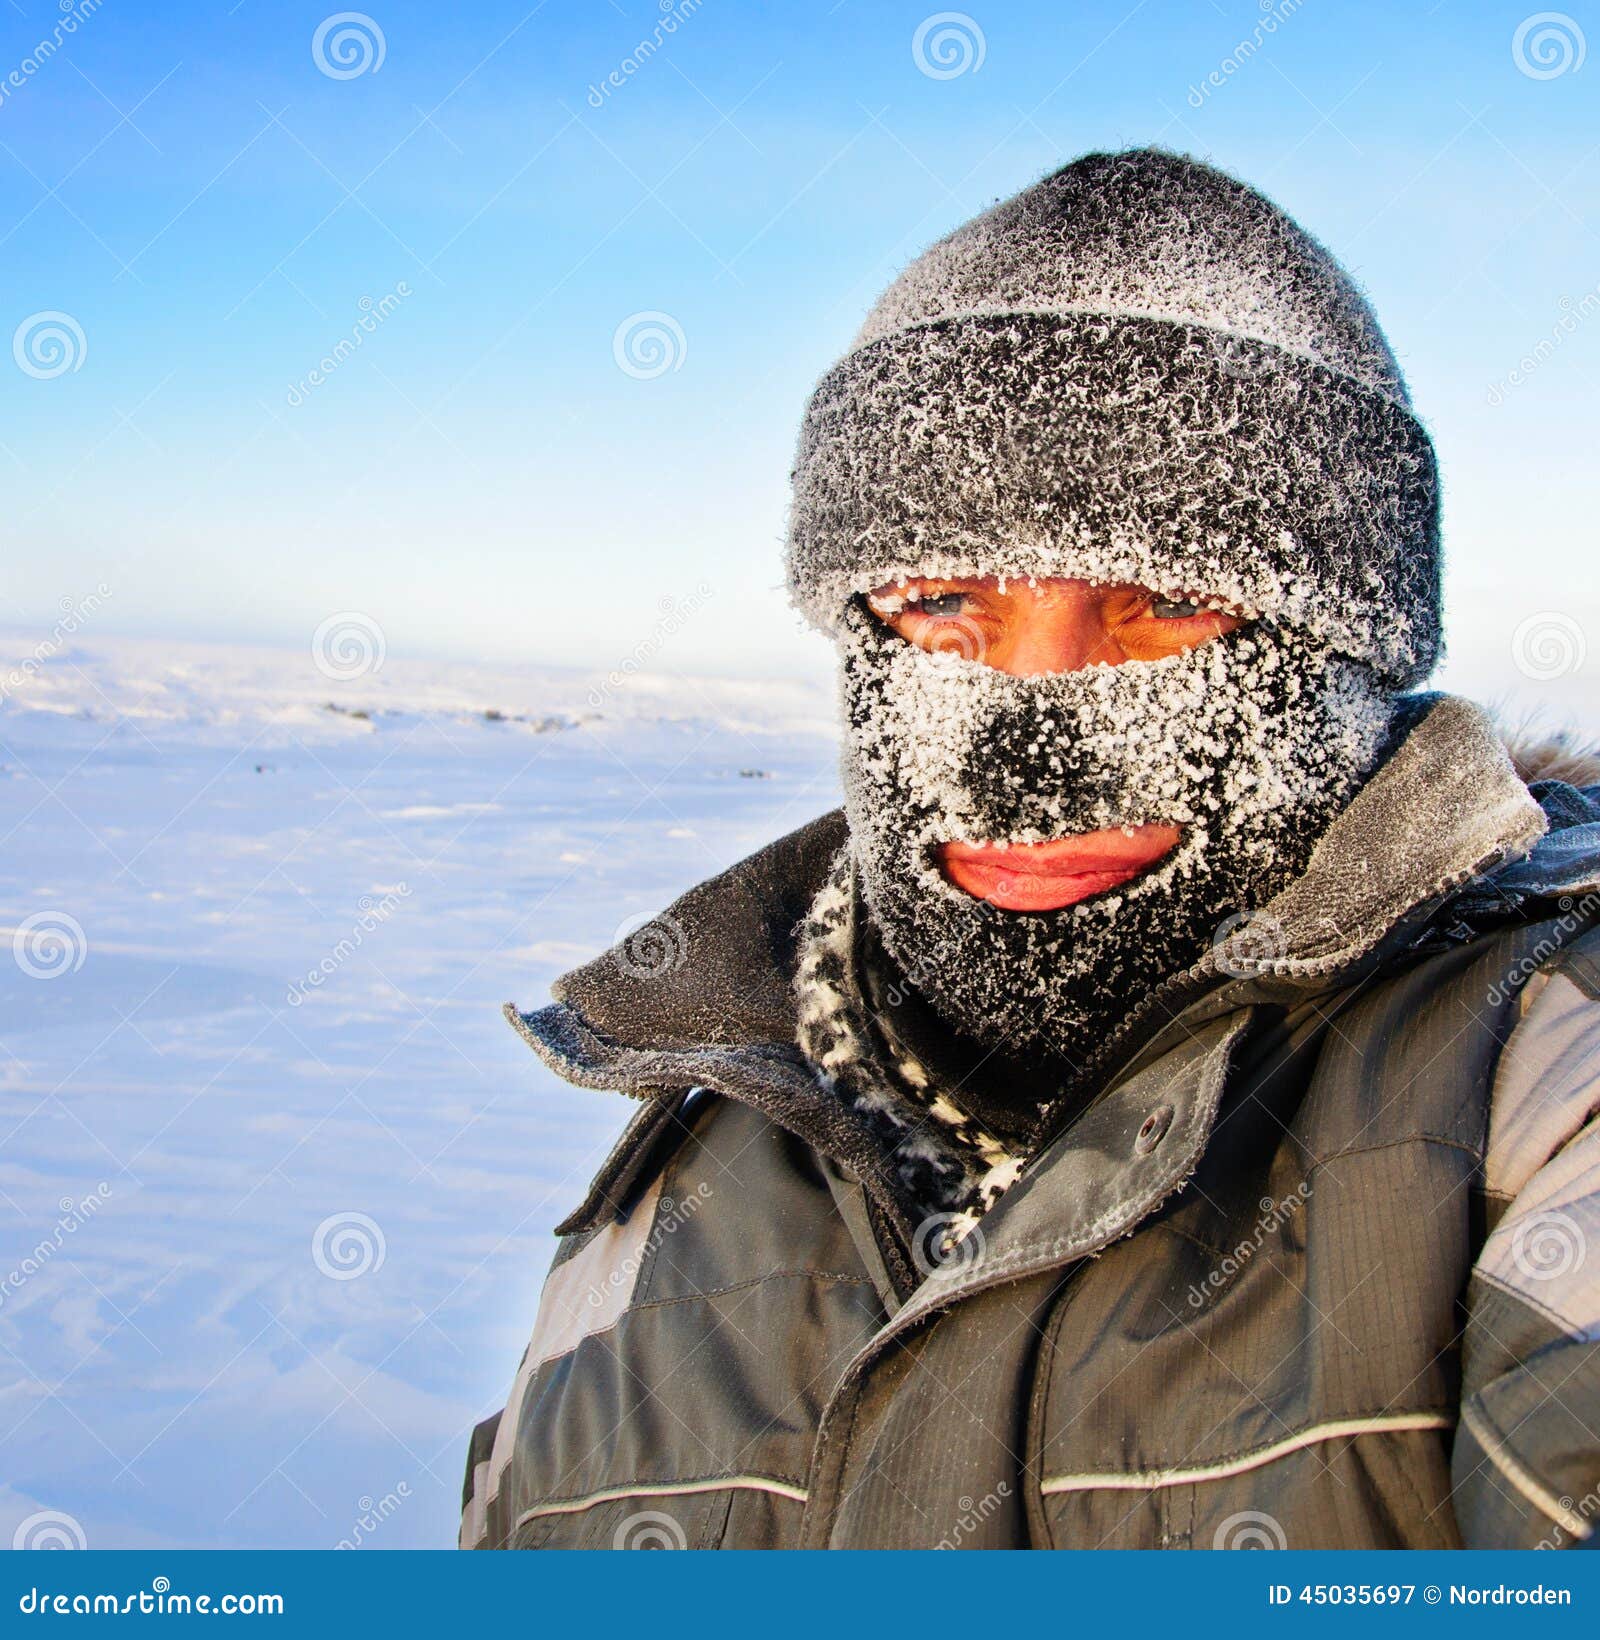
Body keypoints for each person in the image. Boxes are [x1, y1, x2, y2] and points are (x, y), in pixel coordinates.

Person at [460, 147, 1600, 1550]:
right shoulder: (691, 1173)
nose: (1027, 747)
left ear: (1348, 646)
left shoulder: (1539, 1085)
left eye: (1166, 601)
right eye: (942, 605)